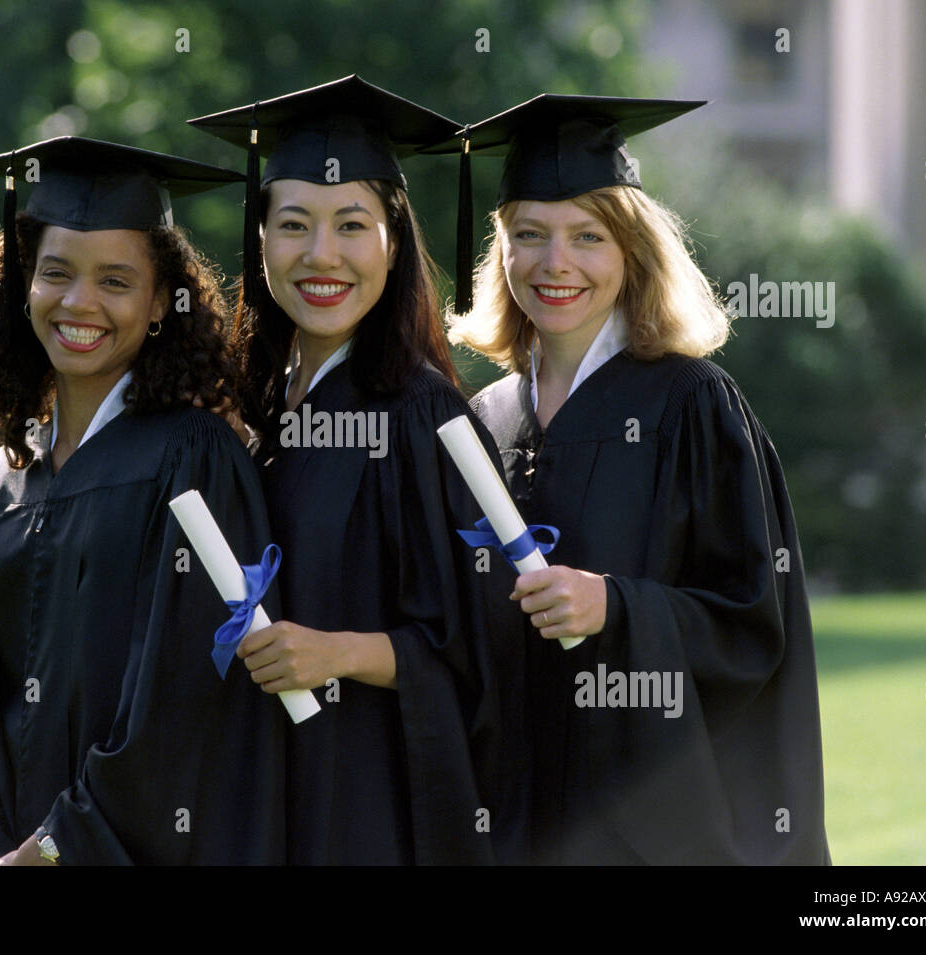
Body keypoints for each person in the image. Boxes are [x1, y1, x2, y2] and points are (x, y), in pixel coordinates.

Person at [440, 94, 830, 864]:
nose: (557, 263)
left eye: (588, 236)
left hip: (651, 829)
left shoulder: (691, 406)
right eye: (530, 235)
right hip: (513, 823)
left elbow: (755, 621)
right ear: (502, 251)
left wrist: (616, 606)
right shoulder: (483, 421)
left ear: (632, 252)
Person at [189, 75, 528, 865]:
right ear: (260, 240)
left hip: (370, 806)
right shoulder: (246, 410)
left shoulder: (423, 414)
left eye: (352, 224)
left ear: (393, 242)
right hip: (252, 800)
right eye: (294, 225)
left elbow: (487, 645)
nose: (322, 255)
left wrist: (339, 652)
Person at [0, 136, 286, 865]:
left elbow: (187, 701)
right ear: (23, 284)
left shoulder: (194, 459)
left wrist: (51, 850)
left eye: (116, 281)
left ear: (159, 303)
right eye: (56, 273)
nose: (80, 302)